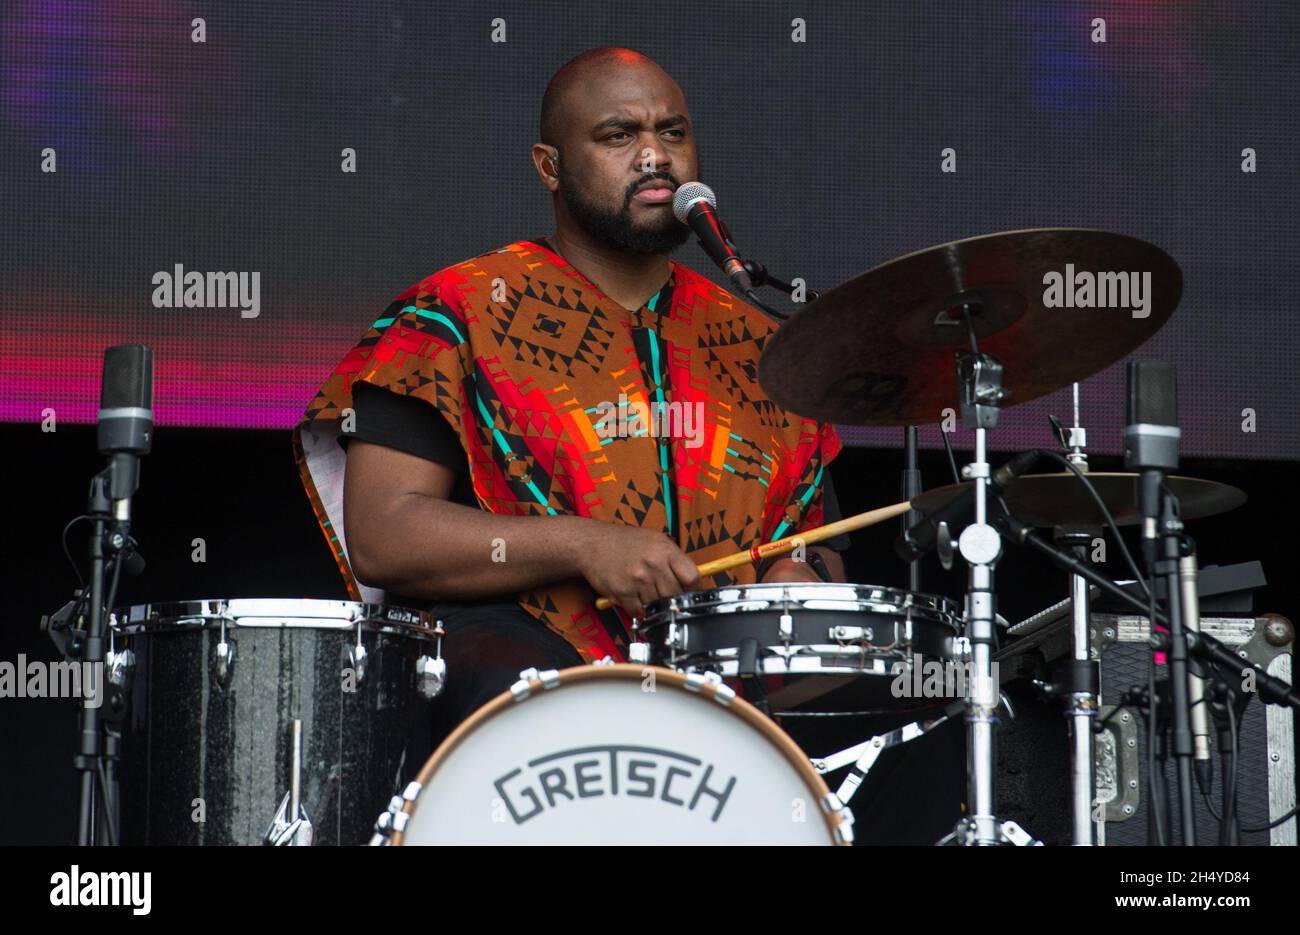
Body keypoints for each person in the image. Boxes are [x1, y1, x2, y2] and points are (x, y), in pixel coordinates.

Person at [292, 47, 849, 741]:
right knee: (516, 692)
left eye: (671, 133)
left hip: (733, 691)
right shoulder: (456, 313)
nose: (654, 156)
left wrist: (800, 572)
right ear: (548, 166)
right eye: (619, 136)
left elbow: (816, 542)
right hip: (523, 664)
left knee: (916, 727)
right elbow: (382, 536)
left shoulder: (759, 345)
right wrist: (586, 545)